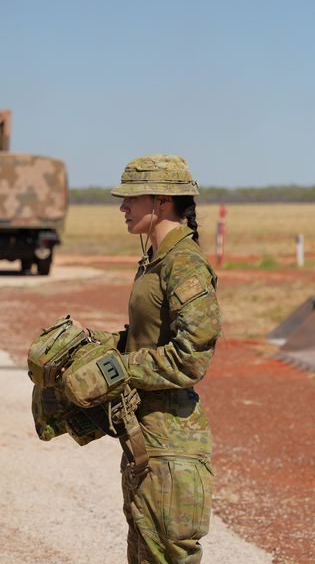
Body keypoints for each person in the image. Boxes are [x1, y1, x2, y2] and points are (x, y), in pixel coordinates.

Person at [88, 154, 220, 563]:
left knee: (165, 554)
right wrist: (101, 346)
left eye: (132, 198)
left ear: (162, 201)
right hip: (146, 433)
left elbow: (190, 358)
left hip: (171, 440)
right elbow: (147, 337)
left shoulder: (184, 263)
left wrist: (118, 369)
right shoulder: (155, 259)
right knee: (145, 552)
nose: (123, 208)